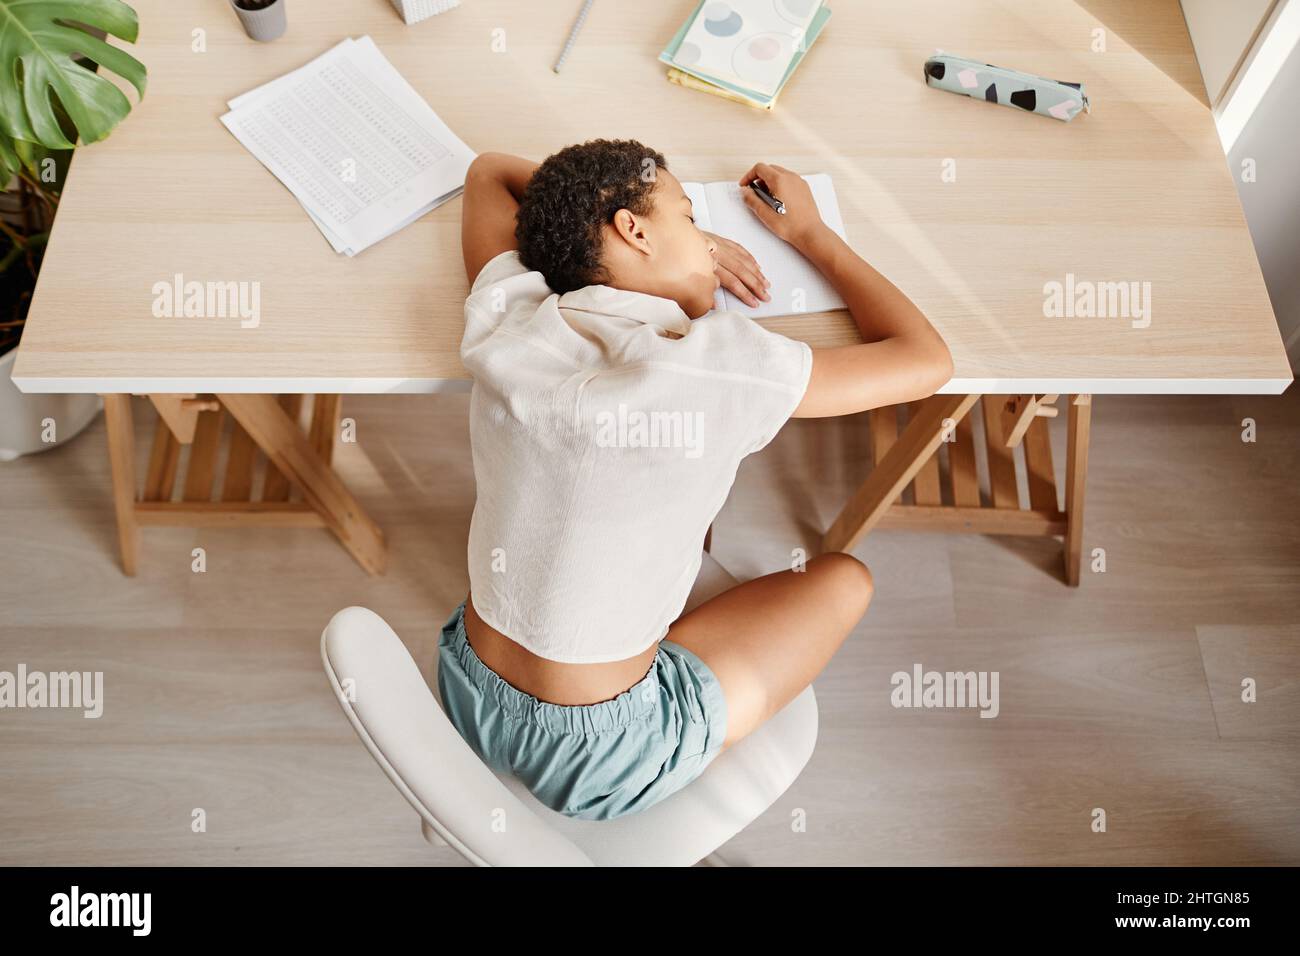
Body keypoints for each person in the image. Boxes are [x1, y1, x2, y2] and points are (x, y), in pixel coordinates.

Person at [436, 140, 953, 820]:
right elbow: (927, 360)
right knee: (846, 580)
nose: (707, 244)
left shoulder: (511, 313)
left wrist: (609, 223)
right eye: (690, 216)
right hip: (604, 758)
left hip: (466, 684)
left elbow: (488, 172)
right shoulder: (717, 365)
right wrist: (809, 232)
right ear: (634, 231)